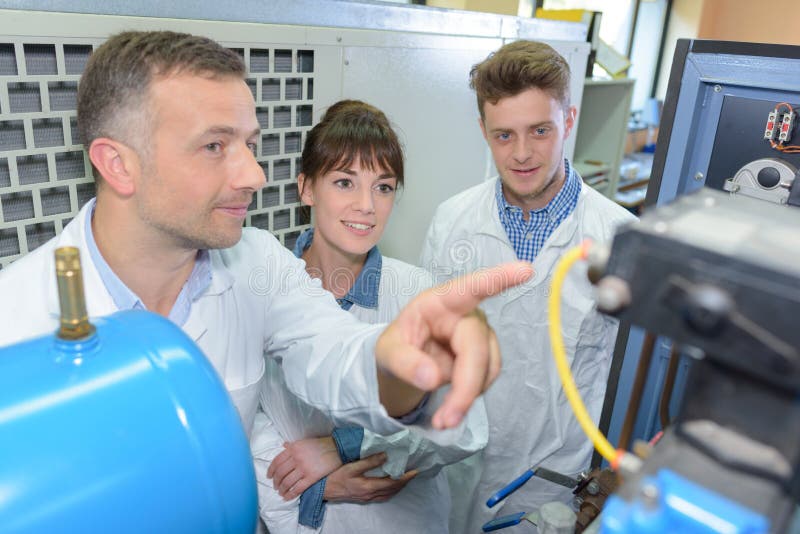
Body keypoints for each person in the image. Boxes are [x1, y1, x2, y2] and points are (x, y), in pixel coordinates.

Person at [0, 30, 531, 464]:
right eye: (215, 146)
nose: (254, 174)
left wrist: (398, 367)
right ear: (118, 164)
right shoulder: (14, 319)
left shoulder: (257, 261)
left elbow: (334, 354)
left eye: (249, 145)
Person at [420, 40, 637, 532]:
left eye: (540, 130)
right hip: (456, 466)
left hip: (557, 483)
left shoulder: (619, 239)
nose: (521, 154)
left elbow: (628, 380)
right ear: (483, 131)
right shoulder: (452, 221)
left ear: (570, 119)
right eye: (503, 135)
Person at [251, 100, 486, 533]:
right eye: (345, 182)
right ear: (306, 189)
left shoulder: (418, 293)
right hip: (303, 517)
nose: (367, 206)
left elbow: (466, 425)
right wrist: (321, 488)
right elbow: (249, 427)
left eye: (383, 187)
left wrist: (347, 445)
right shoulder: (262, 292)